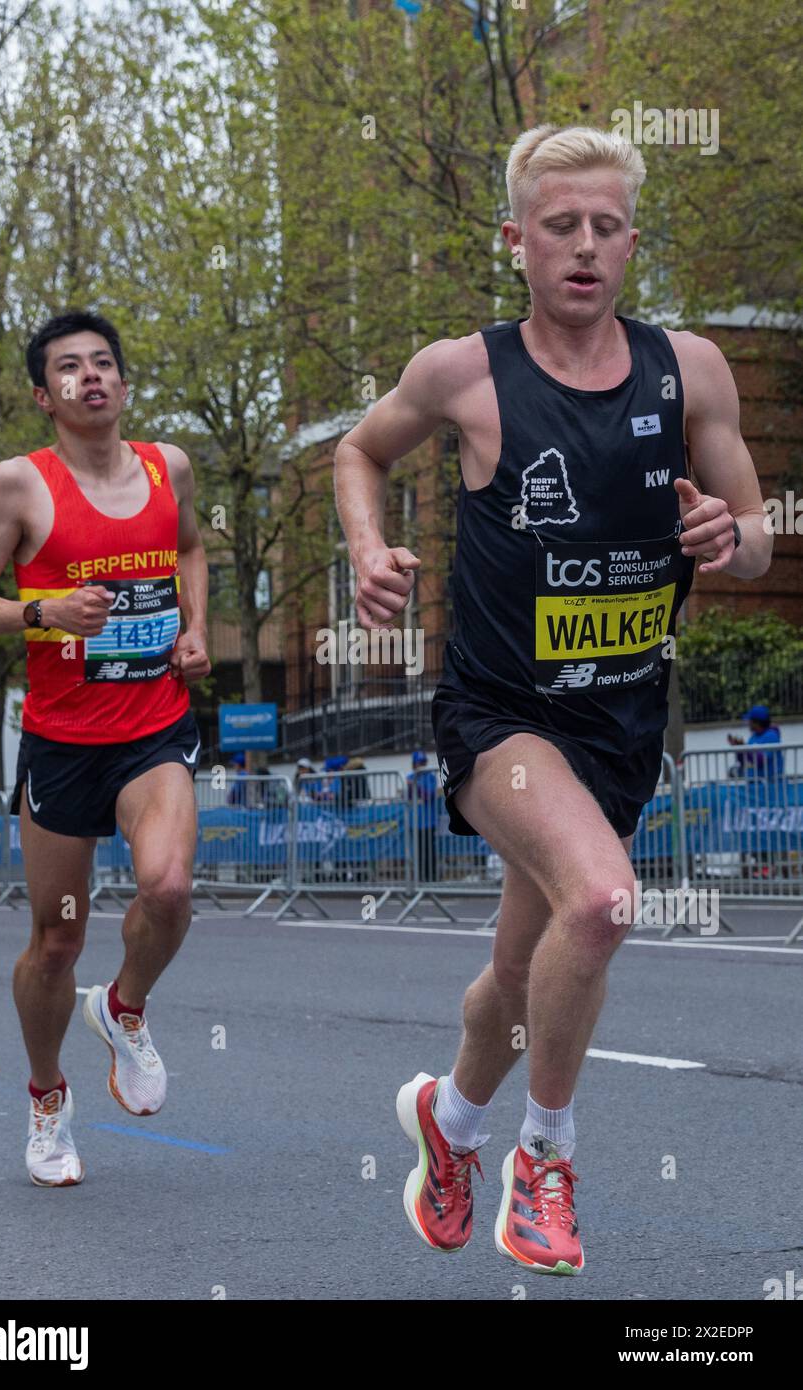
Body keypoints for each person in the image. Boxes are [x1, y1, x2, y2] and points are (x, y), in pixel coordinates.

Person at [334, 124, 771, 1274]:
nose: (583, 246)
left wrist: (731, 536)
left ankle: (450, 1117)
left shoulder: (692, 371)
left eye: (606, 226)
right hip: (501, 718)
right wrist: (369, 550)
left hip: (620, 724)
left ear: (631, 240)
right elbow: (356, 450)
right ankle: (545, 1155)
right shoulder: (463, 373)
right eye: (559, 225)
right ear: (514, 238)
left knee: (521, 976)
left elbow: (764, 544)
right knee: (603, 903)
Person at [0, 310, 211, 1187]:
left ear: (124, 383)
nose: (91, 376)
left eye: (104, 363)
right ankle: (47, 1097)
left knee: (169, 890)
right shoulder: (19, 485)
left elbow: (192, 551)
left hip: (154, 729)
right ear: (44, 394)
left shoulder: (167, 466)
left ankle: (126, 1007)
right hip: (63, 742)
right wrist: (45, 611)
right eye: (70, 368)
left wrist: (196, 630)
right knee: (57, 943)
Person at [406, 750, 439, 883]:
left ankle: (431, 877)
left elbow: (428, 796)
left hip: (428, 821)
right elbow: (408, 798)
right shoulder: (410, 777)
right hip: (415, 821)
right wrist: (410, 787)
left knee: (429, 850)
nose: (421, 765)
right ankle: (420, 878)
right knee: (418, 851)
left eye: (423, 762)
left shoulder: (430, 777)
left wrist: (415, 786)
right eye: (419, 763)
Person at [727, 703, 784, 781]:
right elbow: (744, 761)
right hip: (755, 783)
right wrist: (738, 748)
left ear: (757, 722)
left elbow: (760, 760)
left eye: (749, 721)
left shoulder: (771, 736)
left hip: (771, 784)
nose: (748, 723)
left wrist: (745, 748)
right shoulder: (754, 737)